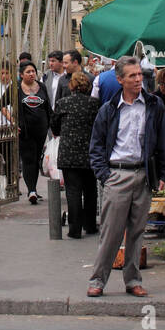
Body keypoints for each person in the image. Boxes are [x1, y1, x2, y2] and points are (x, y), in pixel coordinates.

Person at [86, 56, 165, 298]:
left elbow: (163, 142)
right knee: (111, 232)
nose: (138, 79)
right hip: (117, 174)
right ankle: (98, 279)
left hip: (143, 175)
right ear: (120, 79)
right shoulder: (109, 109)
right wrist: (105, 175)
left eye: (140, 75)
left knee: (136, 232)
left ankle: (132, 280)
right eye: (132, 76)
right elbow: (96, 146)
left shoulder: (154, 106)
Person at [53, 70, 100, 238]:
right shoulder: (95, 104)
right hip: (89, 152)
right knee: (90, 189)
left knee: (72, 191)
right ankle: (90, 225)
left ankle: (75, 229)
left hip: (68, 152)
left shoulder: (62, 103)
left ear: (71, 86)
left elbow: (55, 127)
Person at [16, 60, 51, 204]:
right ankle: (31, 189)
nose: (32, 74)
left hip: (41, 129)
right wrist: (13, 122)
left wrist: (52, 126)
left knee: (36, 159)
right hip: (25, 131)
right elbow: (2, 104)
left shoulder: (41, 86)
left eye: (33, 71)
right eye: (28, 72)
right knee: (28, 159)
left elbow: (48, 106)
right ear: (21, 75)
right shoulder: (17, 89)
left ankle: (34, 189)